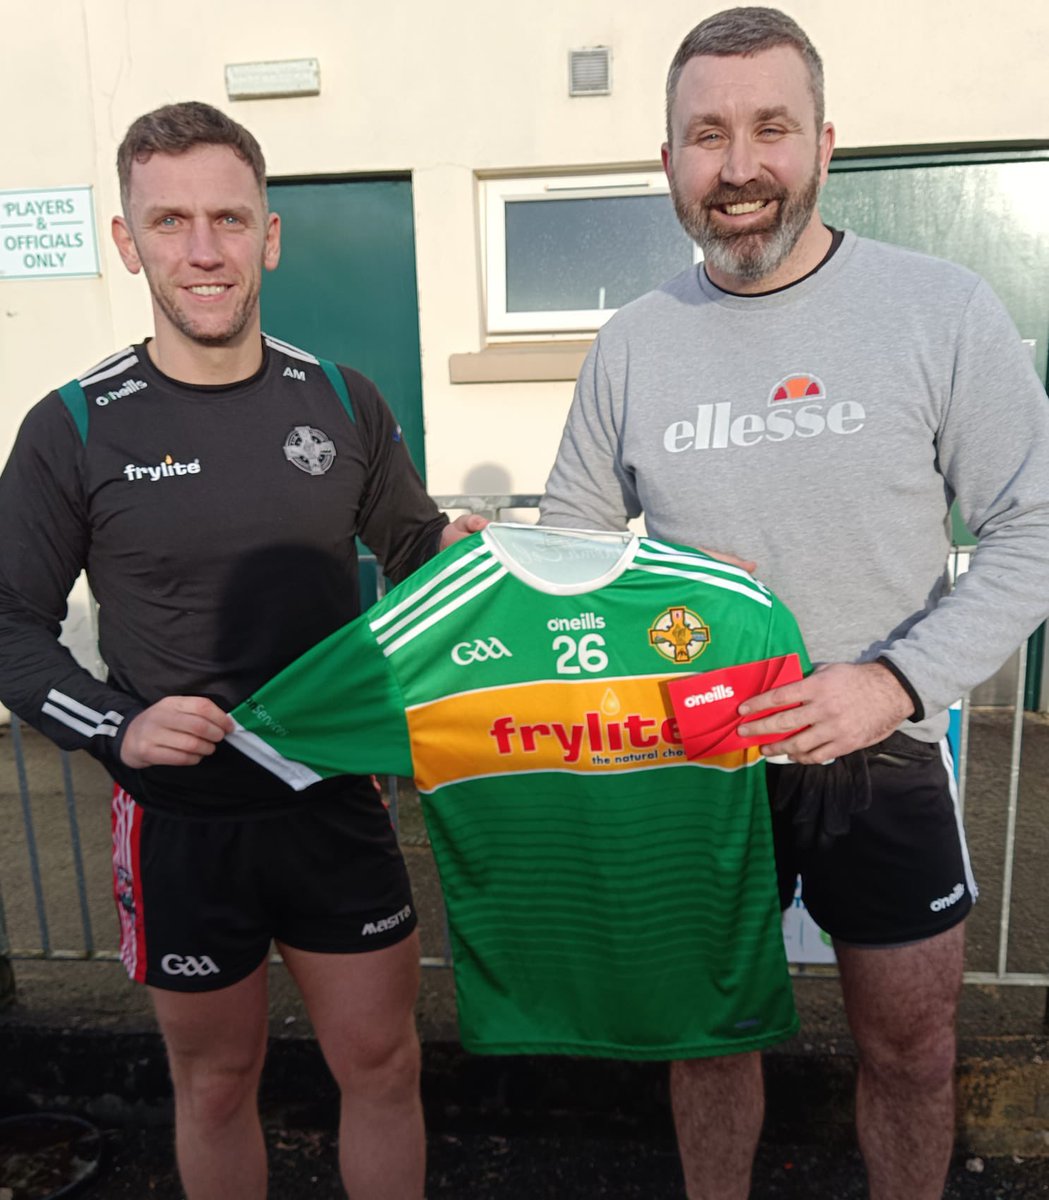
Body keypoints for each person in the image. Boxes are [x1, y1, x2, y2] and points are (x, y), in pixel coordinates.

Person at [540, 8, 1049, 1199]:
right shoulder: (631, 343)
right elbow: (571, 545)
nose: (739, 166)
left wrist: (890, 684)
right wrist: (502, 571)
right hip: (697, 764)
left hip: (884, 756)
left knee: (912, 1051)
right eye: (705, 135)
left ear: (823, 142)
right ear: (666, 162)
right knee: (707, 1048)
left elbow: (1029, 531)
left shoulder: (940, 309)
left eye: (769, 128)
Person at [0, 101, 481, 1200]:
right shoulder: (73, 426)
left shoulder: (340, 399)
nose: (202, 251)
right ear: (128, 243)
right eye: (169, 222)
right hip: (180, 828)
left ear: (269, 234)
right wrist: (115, 722)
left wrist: (458, 553)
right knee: (216, 1083)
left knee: (383, 1066)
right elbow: (8, 628)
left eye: (228, 218)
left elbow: (411, 551)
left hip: (331, 806)